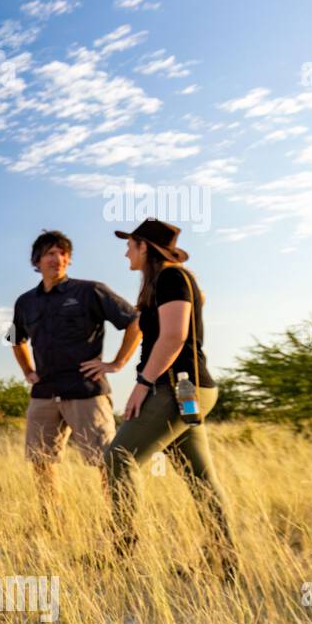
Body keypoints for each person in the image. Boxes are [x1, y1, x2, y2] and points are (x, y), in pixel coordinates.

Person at [103, 218, 236, 581]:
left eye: (130, 244)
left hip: (177, 389)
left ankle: (122, 550)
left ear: (145, 247)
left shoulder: (172, 278)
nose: (126, 251)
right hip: (186, 391)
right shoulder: (163, 282)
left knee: (118, 457)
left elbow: (175, 336)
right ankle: (225, 566)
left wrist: (142, 384)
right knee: (200, 478)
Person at [11, 230, 141, 516]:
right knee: (41, 460)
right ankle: (51, 520)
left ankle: (120, 525)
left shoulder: (90, 291)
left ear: (69, 259)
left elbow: (134, 321)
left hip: (86, 391)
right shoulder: (25, 302)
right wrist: (28, 371)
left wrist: (116, 363)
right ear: (37, 260)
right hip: (44, 393)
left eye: (62, 253)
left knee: (106, 460)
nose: (57, 258)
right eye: (49, 253)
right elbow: (15, 339)